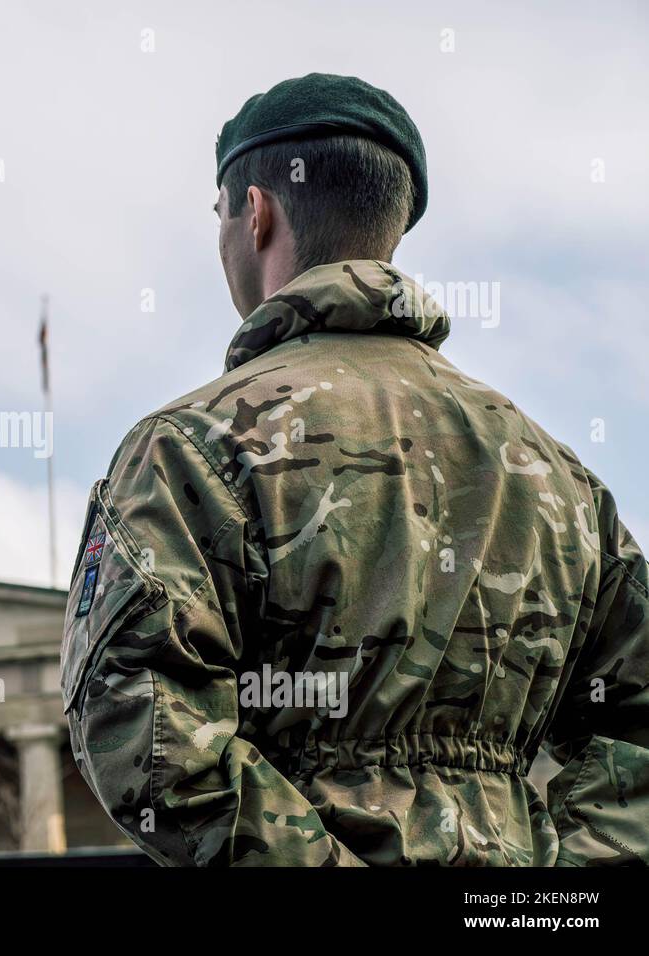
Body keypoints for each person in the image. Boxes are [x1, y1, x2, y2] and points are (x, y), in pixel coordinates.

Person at [61, 73, 649, 866]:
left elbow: (142, 728)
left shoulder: (189, 448)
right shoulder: (557, 479)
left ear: (257, 212)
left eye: (220, 215)